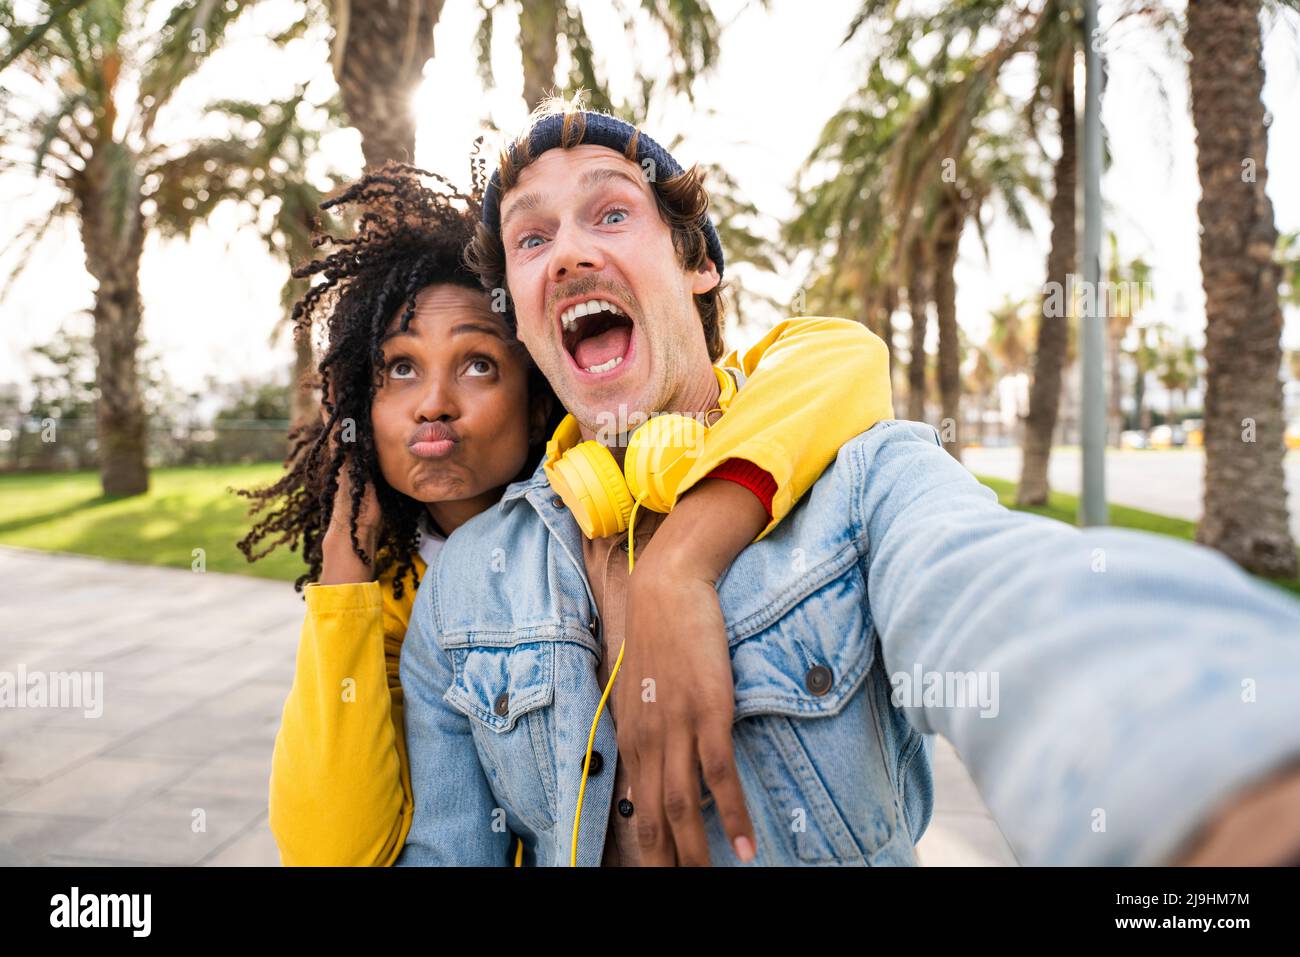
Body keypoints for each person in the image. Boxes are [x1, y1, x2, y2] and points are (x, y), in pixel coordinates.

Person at [395, 102, 1300, 867]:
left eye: (613, 214)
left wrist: (1228, 785)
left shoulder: (868, 483)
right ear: (517, 309)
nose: (567, 255)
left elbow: (1016, 603)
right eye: (533, 236)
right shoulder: (465, 588)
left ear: (698, 264)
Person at [238, 162, 896, 865]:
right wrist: (344, 565)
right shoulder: (393, 598)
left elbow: (835, 353)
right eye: (400, 368)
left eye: (478, 364)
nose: (433, 401)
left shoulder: (621, 504)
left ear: (538, 391)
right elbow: (331, 853)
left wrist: (681, 559)